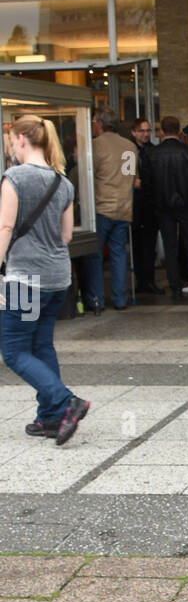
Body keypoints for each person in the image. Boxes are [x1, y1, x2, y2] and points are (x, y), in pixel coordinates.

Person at [0, 114, 90, 444]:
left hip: (24, 280)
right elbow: (66, 235)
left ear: (22, 140)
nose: (11, 148)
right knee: (40, 345)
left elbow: (5, 227)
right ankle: (50, 417)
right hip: (56, 278)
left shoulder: (15, 177)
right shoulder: (62, 182)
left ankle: (66, 401)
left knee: (13, 350)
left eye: (12, 141)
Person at [140, 116, 188, 303]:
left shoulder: (152, 154)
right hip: (187, 205)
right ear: (179, 130)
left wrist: (154, 205)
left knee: (170, 247)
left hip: (163, 207)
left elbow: (147, 184)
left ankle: (176, 288)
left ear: (161, 132)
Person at [86, 106, 137, 311]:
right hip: (124, 207)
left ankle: (97, 299)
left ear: (99, 123)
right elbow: (131, 177)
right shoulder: (130, 146)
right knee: (118, 254)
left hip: (102, 207)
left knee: (95, 255)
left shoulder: (95, 145)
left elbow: (89, 175)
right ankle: (119, 298)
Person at [130, 118, 161, 295]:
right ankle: (140, 280)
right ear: (134, 132)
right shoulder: (129, 151)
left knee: (150, 245)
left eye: (148, 130)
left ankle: (149, 280)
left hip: (150, 203)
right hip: (135, 204)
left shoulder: (153, 150)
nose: (146, 134)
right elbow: (128, 178)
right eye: (142, 131)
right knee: (137, 245)